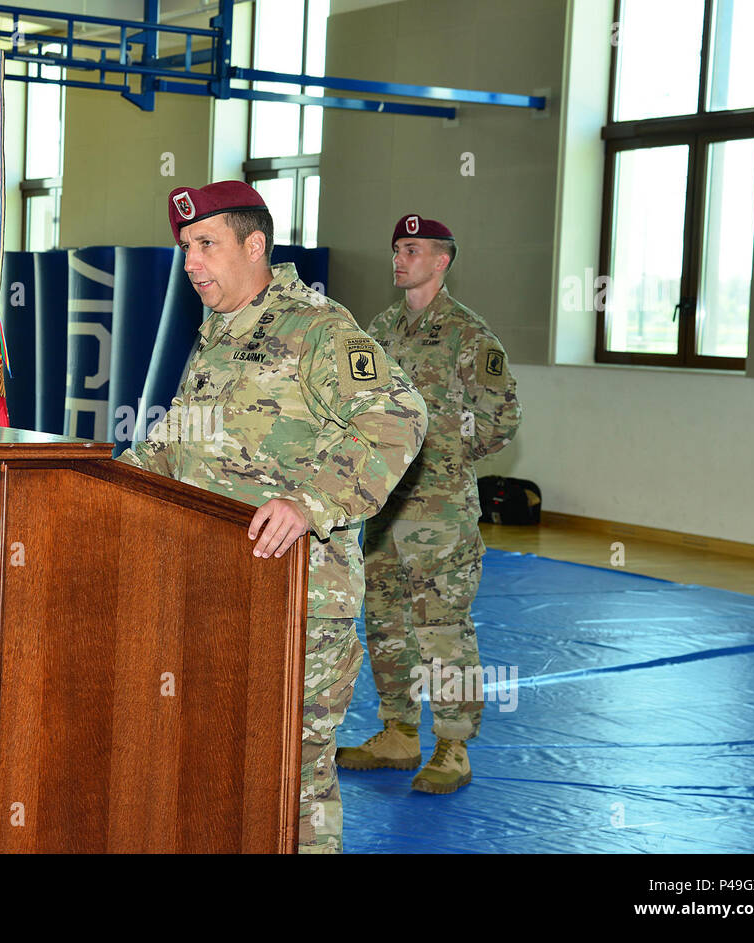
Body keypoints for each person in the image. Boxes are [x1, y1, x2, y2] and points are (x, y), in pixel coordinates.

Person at [116, 181, 427, 853]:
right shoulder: (217, 333)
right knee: (220, 763)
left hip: (302, 600)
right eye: (185, 248)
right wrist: (105, 483)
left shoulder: (316, 326)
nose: (191, 262)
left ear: (255, 245)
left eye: (206, 245)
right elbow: (175, 444)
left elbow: (400, 417)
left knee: (292, 775)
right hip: (217, 590)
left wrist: (308, 502)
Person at [336, 213, 521, 794]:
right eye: (396, 248)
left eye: (412, 249)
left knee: (441, 626)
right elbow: (360, 402)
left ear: (442, 260)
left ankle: (453, 745)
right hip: (384, 507)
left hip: (439, 513)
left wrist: (441, 455)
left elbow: (501, 419)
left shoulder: (470, 335)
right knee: (386, 622)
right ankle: (398, 732)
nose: (400, 258)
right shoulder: (381, 329)